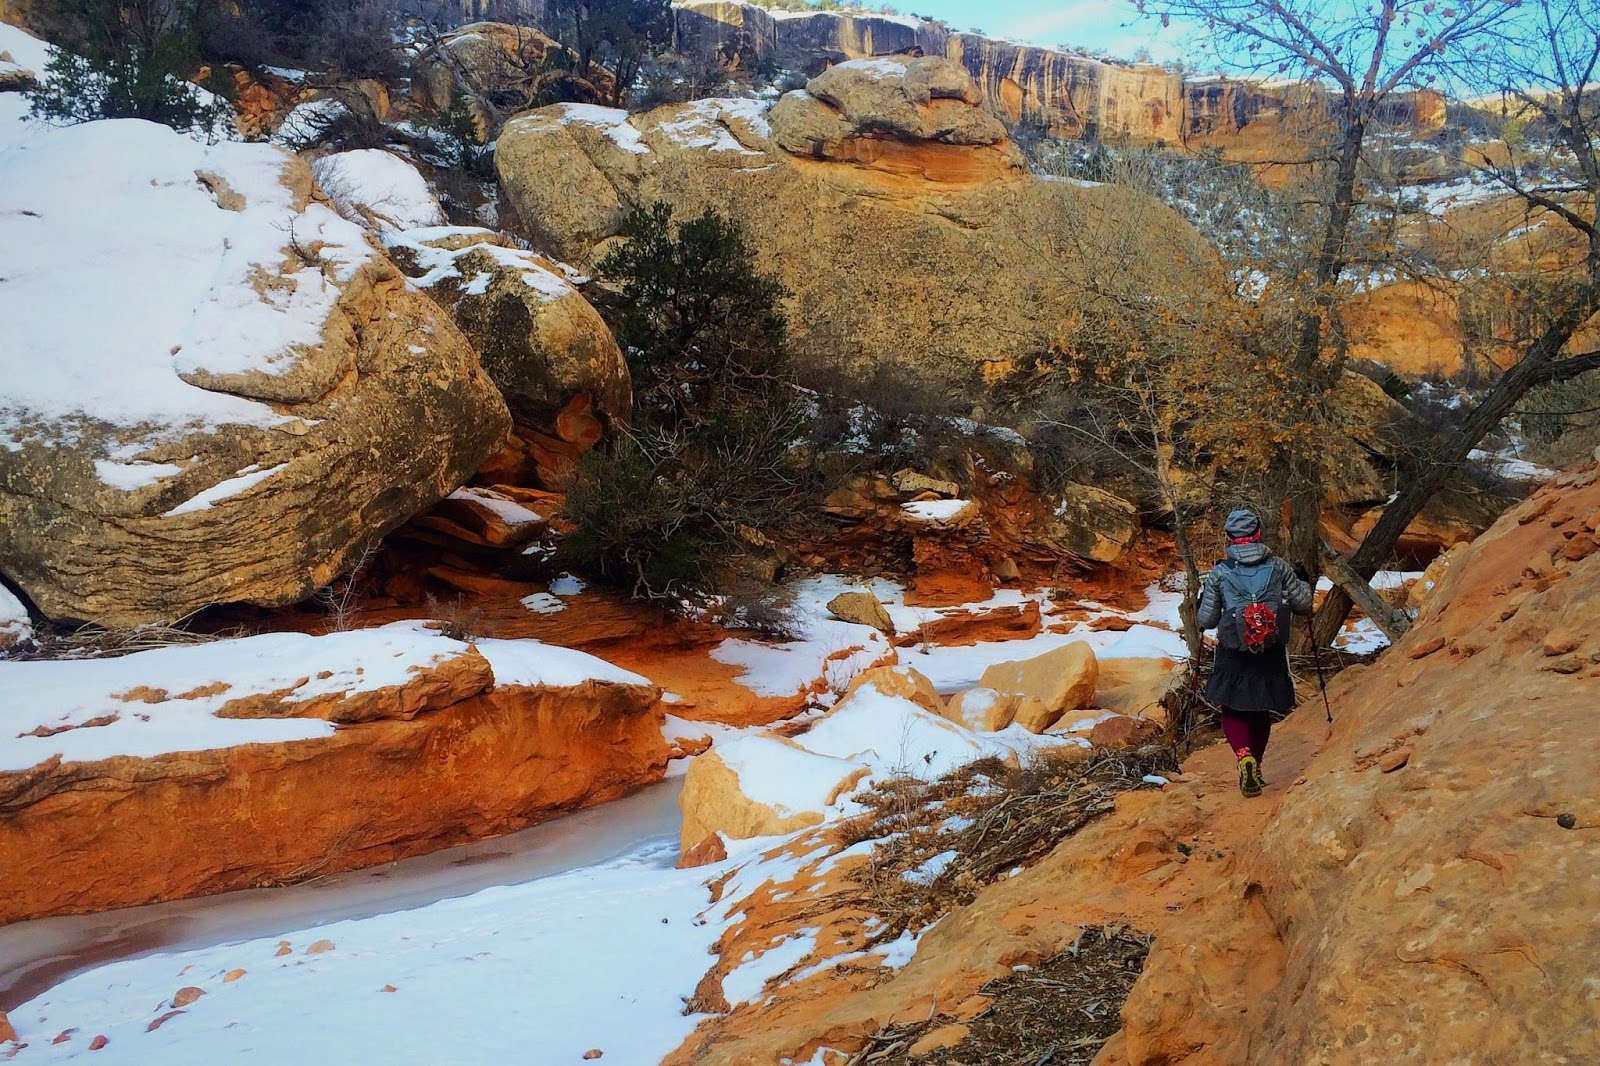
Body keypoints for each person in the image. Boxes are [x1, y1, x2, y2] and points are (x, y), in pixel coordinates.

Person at [1194, 508, 1314, 798]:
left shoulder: (1220, 572)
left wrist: (1202, 602)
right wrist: (1304, 581)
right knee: (1261, 709)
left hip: (1233, 649)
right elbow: (1303, 605)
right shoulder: (1279, 566)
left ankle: (1243, 754)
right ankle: (1256, 767)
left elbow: (1206, 621)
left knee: (1232, 707)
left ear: (1229, 538)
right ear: (1258, 534)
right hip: (1269, 648)